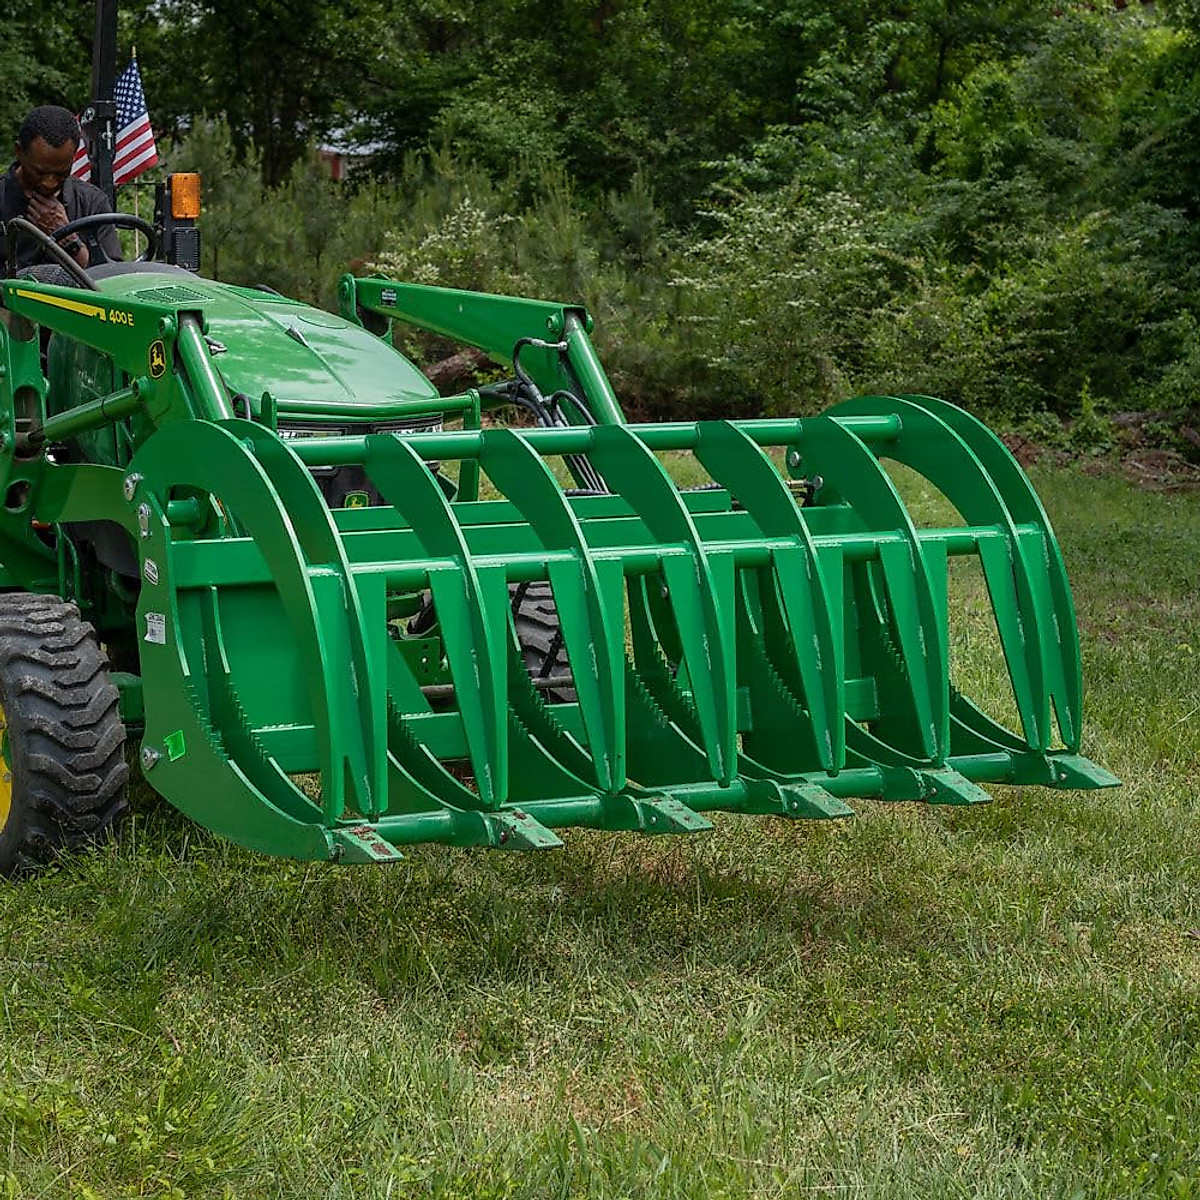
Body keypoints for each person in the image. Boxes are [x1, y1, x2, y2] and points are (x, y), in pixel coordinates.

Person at [0, 105, 122, 277]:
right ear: (19, 152)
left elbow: (112, 279)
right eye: (40, 172)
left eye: (61, 173)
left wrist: (68, 239)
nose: (49, 182)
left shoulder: (91, 202)